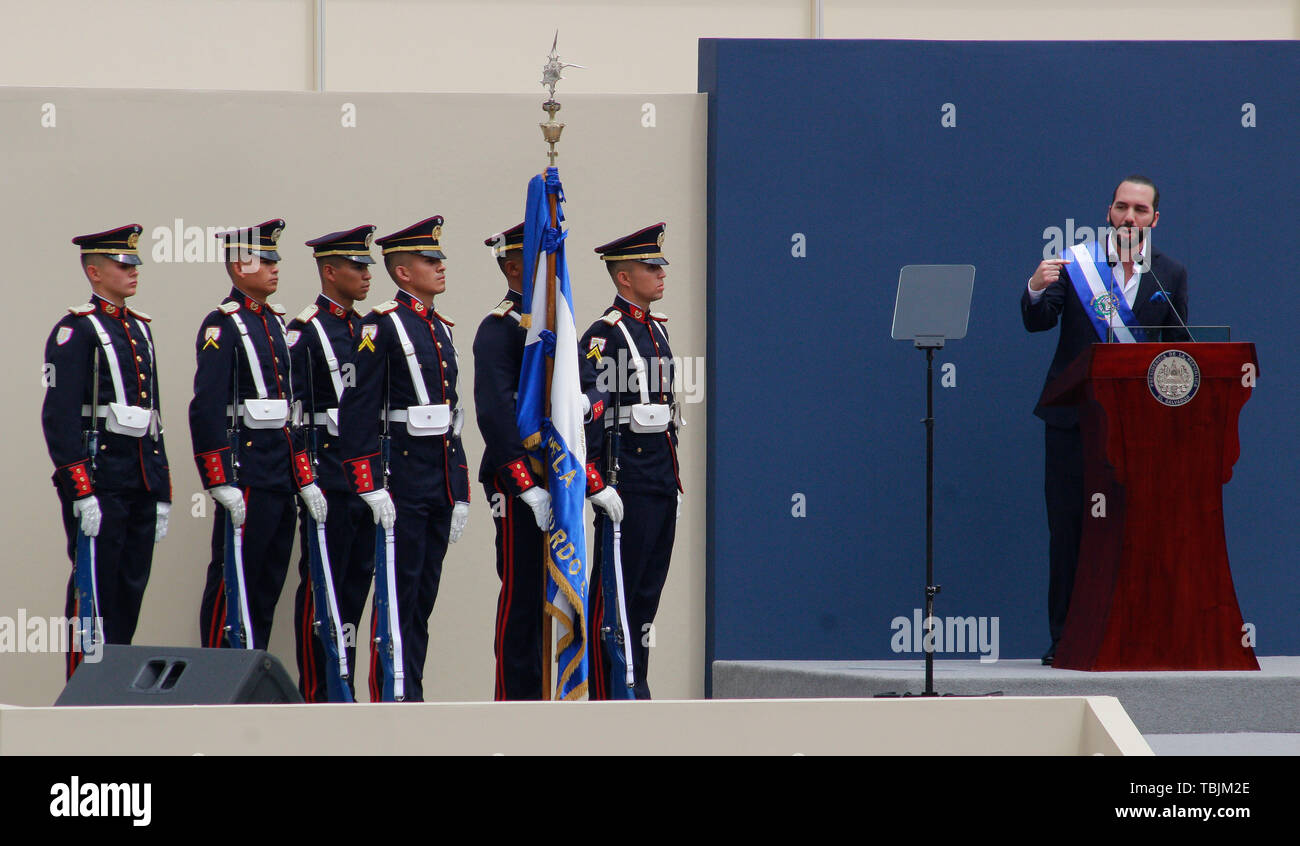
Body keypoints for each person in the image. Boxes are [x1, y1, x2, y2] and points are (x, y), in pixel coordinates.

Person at [1021, 175, 1188, 665]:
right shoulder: (1077, 265)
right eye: (1121, 207)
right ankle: (1065, 641)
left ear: (1154, 219)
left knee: (1136, 530)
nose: (1129, 217)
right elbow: (1037, 321)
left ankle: (1133, 638)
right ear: (1109, 212)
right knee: (1069, 531)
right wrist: (1034, 287)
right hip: (1072, 422)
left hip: (1140, 428)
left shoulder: (1169, 274)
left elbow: (1177, 348)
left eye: (1140, 210)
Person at [339, 215, 471, 702]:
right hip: (401, 482)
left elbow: (452, 419)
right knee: (396, 600)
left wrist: (459, 491)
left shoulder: (439, 328)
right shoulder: (381, 325)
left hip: (436, 482)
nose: (440, 267)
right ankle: (393, 701)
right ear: (402, 272)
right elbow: (358, 409)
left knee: (421, 603)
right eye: (428, 260)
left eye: (439, 259)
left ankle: (411, 693)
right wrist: (369, 483)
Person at [42, 224, 172, 677]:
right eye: (122, 265)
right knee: (92, 589)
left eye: (134, 264)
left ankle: (113, 681)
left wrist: (161, 489)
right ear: (95, 272)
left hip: (137, 478)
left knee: (130, 586)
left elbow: (153, 417)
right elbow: (59, 416)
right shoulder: (74, 330)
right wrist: (80, 488)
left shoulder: (139, 328)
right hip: (101, 480)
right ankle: (84, 686)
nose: (133, 273)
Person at [190, 220, 327, 650]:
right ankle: (217, 678)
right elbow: (207, 405)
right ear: (237, 266)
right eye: (263, 260)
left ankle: (250, 672)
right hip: (245, 473)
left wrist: (303, 477)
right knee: (235, 581)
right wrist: (218, 480)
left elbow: (291, 412)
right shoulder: (223, 325)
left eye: (275, 259)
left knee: (266, 585)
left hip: (279, 475)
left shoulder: (275, 323)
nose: (274, 268)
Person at [579, 222, 683, 700]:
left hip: (658, 479)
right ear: (624, 278)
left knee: (647, 596)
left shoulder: (655, 332)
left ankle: (636, 683)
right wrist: (596, 482)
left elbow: (666, 416)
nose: (661, 275)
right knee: (616, 595)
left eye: (660, 266)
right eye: (650, 267)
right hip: (627, 481)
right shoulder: (605, 335)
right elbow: (590, 413)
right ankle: (612, 689)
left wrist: (673, 483)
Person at [286, 225, 377, 701]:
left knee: (357, 587)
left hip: (366, 479)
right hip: (329, 475)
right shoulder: (306, 330)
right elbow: (294, 410)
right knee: (324, 586)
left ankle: (344, 683)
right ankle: (319, 692)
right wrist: (305, 476)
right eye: (356, 267)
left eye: (367, 266)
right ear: (329, 271)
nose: (366, 275)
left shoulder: (365, 329)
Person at [472, 222, 554, 700]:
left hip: (554, 478)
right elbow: (496, 414)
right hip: (515, 481)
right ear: (513, 266)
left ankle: (548, 696)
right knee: (521, 594)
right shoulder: (499, 328)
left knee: (553, 594)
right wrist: (525, 485)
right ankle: (513, 702)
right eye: (541, 257)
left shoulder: (553, 324)